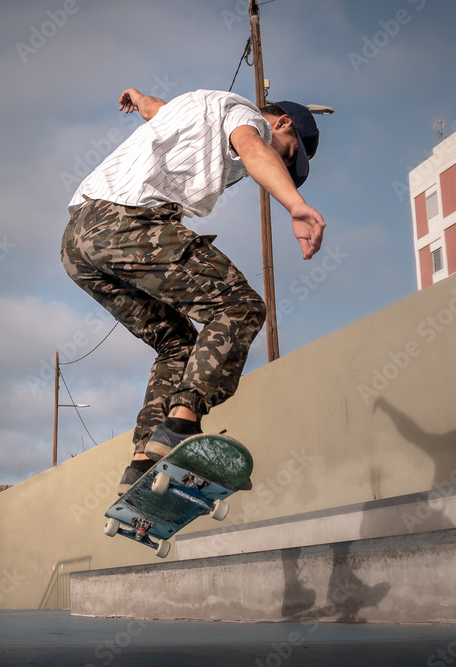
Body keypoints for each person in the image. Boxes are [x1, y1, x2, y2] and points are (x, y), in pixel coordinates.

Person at [61, 87, 327, 495]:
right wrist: (293, 203)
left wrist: (139, 100)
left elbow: (159, 112)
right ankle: (180, 426)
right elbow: (254, 147)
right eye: (288, 153)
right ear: (282, 123)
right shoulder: (247, 117)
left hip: (78, 243)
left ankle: (143, 462)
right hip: (126, 222)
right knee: (240, 305)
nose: (281, 162)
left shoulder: (193, 109)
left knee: (176, 341)